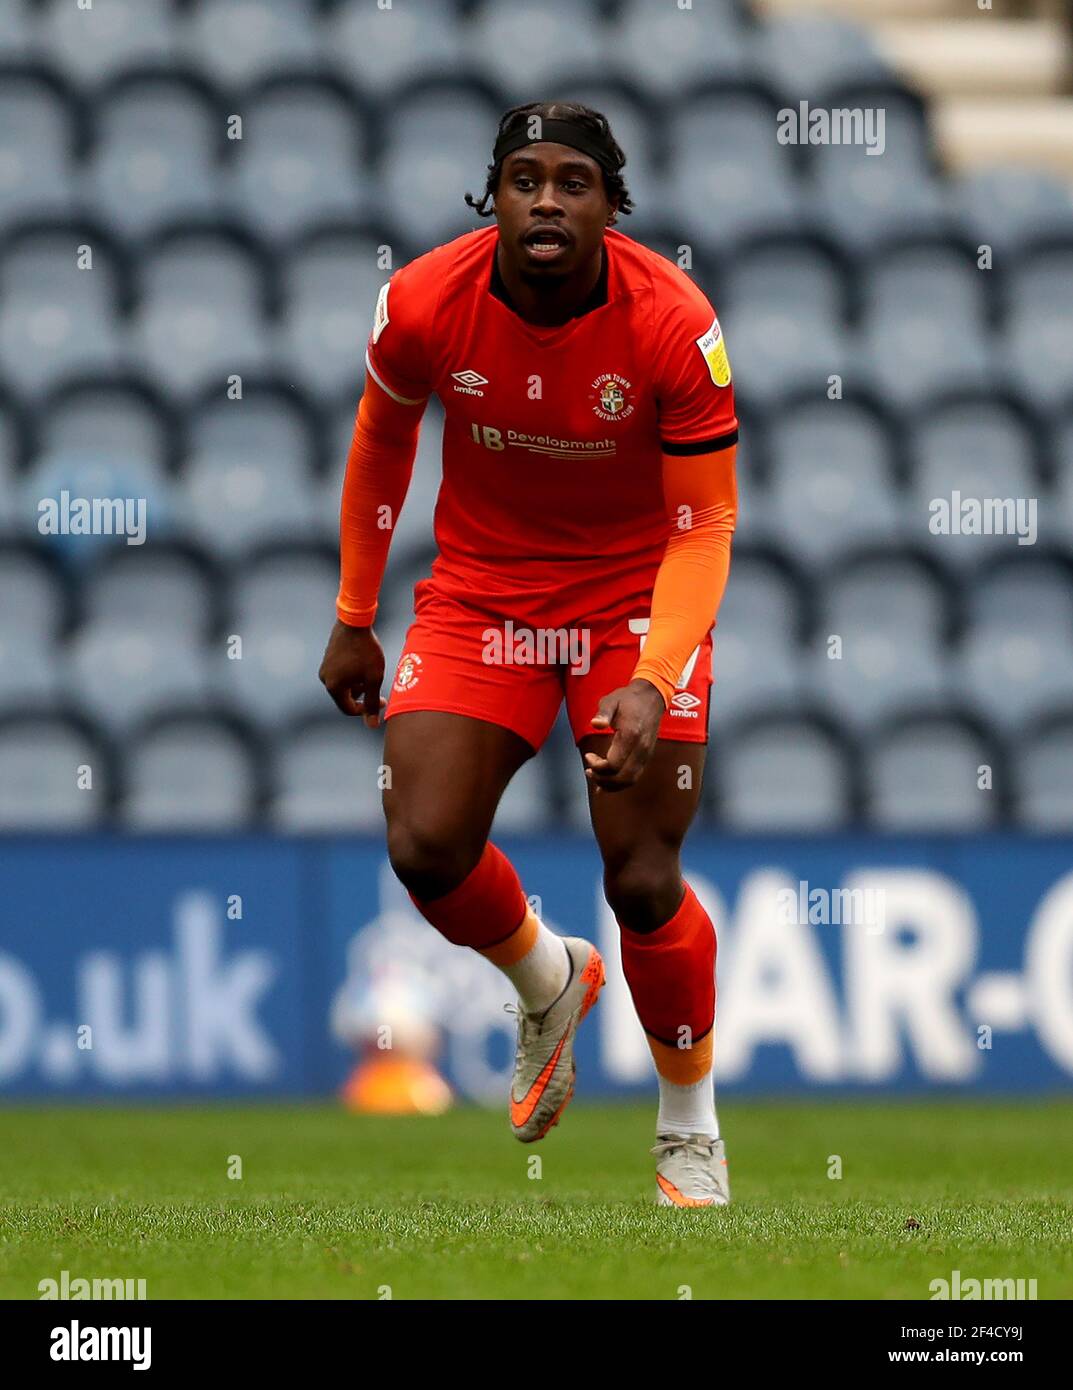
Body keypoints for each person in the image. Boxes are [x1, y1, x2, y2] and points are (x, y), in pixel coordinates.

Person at [320, 101, 738, 1206]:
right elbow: (380, 439)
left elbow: (705, 524)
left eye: (572, 181)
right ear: (490, 196)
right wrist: (355, 609)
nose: (545, 199)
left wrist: (654, 679)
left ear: (611, 205)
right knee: (424, 844)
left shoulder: (673, 322)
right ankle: (546, 977)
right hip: (482, 592)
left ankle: (686, 1127)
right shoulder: (423, 300)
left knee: (642, 875)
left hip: (629, 600)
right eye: (522, 178)